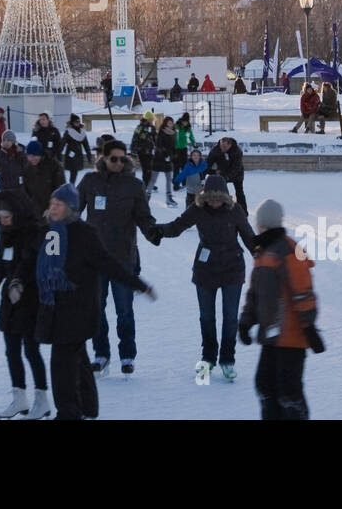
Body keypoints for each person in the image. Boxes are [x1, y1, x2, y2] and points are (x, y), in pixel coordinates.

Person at [35, 183, 155, 419]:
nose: (54, 208)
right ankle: (89, 407)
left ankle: (68, 413)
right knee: (77, 358)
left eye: (59, 204)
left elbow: (108, 264)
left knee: (61, 365)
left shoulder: (84, 234)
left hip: (77, 311)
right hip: (55, 308)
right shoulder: (50, 231)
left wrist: (138, 284)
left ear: (70, 207)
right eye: (52, 203)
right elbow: (39, 265)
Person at [147, 173, 256, 381]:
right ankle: (208, 358)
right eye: (210, 198)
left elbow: (249, 237)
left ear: (225, 196)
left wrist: (262, 256)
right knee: (206, 317)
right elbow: (177, 226)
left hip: (232, 268)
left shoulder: (235, 211)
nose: (214, 202)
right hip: (205, 269)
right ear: (204, 196)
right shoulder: (198, 209)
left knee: (230, 318)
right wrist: (159, 231)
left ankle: (227, 360)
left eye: (218, 198)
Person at [238, 198, 321, 419]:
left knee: (288, 391)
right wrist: (246, 321)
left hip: (292, 336)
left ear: (264, 224)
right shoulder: (263, 251)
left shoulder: (290, 250)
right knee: (264, 385)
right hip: (272, 335)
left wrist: (309, 326)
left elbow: (304, 291)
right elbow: (256, 293)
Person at [79, 139, 157, 375]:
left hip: (123, 257)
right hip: (95, 258)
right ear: (102, 158)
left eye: (123, 159)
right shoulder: (90, 182)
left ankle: (127, 356)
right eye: (114, 158)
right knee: (96, 308)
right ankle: (101, 353)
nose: (119, 163)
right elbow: (73, 210)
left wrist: (154, 232)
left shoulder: (133, 185)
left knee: (124, 310)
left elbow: (144, 217)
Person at [0, 187, 49, 419]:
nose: (4, 219)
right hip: (10, 301)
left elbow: (30, 263)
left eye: (7, 215)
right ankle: (19, 398)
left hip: (31, 299)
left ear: (18, 212)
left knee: (31, 350)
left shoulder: (35, 231)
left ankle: (42, 400)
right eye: (0, 216)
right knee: (11, 351)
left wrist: (18, 282)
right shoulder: (6, 233)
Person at [22, 138, 64, 214]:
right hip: (35, 211)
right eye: (29, 156)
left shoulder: (53, 166)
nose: (32, 158)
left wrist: (51, 208)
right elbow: (26, 191)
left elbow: (60, 189)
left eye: (35, 155)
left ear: (40, 155)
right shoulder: (27, 169)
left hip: (53, 211)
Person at [207, 136, 246, 213]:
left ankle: (243, 211)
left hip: (237, 174)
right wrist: (211, 171)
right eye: (221, 146)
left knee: (239, 192)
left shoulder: (237, 151)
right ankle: (222, 209)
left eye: (224, 147)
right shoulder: (216, 150)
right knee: (221, 192)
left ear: (230, 145)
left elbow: (236, 167)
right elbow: (208, 162)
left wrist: (227, 176)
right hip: (222, 172)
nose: (222, 148)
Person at [147, 116, 176, 203]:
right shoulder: (161, 132)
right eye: (169, 122)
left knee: (169, 179)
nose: (170, 124)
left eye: (171, 122)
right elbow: (158, 145)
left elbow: (174, 145)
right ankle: (147, 195)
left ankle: (169, 197)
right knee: (153, 179)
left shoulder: (174, 132)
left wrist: (173, 155)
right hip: (159, 159)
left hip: (168, 159)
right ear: (165, 123)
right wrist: (165, 154)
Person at [59, 115, 92, 187]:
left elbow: (86, 145)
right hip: (70, 156)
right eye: (76, 121)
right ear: (72, 122)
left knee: (75, 173)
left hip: (78, 155)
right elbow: (62, 143)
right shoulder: (69, 132)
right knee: (73, 172)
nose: (78, 123)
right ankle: (71, 187)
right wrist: (58, 154)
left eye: (79, 121)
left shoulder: (82, 132)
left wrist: (89, 155)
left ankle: (71, 186)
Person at [129, 115, 157, 195]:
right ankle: (145, 185)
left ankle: (149, 184)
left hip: (150, 151)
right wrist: (133, 150)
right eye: (151, 119)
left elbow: (155, 138)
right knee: (146, 168)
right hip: (142, 151)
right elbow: (135, 138)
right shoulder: (140, 127)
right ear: (147, 119)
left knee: (150, 168)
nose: (152, 120)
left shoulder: (152, 128)